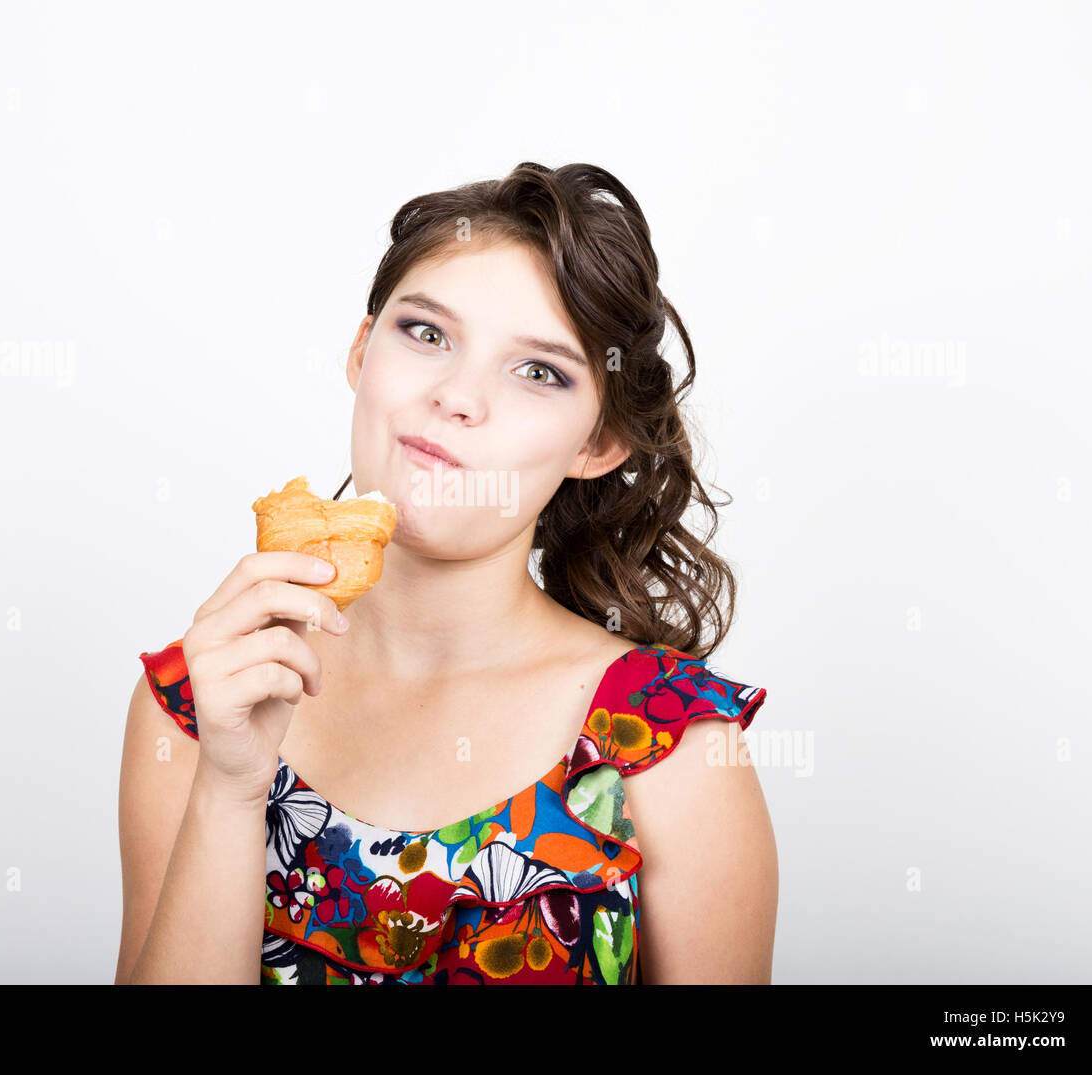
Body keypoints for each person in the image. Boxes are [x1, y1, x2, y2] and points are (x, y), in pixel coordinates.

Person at [116, 162, 777, 985]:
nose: (458, 397)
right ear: (362, 351)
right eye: (426, 333)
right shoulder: (197, 703)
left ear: (596, 444)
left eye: (540, 371)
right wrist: (229, 787)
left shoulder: (664, 746)